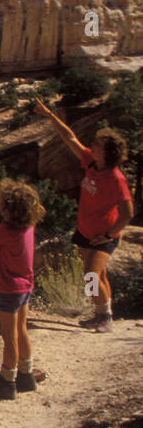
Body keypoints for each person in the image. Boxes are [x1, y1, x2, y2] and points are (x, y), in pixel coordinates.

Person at [36, 99, 134, 332]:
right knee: (97, 276)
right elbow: (69, 138)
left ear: (107, 152)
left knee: (90, 276)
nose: (92, 145)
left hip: (103, 234)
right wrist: (50, 115)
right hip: (85, 230)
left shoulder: (115, 178)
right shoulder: (91, 162)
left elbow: (128, 213)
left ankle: (105, 318)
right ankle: (102, 314)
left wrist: (109, 234)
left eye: (97, 144)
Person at [0, 181, 41, 399]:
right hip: (24, 286)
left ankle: (6, 381)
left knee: (8, 336)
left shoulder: (8, 231)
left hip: (6, 288)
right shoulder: (27, 226)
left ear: (10, 209)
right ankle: (26, 375)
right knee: (21, 330)